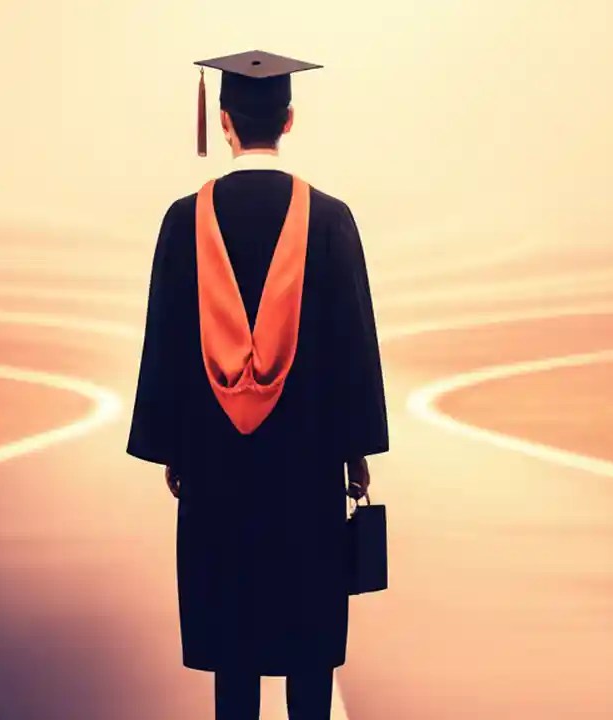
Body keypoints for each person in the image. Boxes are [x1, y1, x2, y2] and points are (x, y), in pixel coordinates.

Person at [127, 49, 389, 720]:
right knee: (308, 651)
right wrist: (354, 450)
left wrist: (174, 448)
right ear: (289, 119)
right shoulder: (329, 219)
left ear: (223, 122)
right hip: (305, 474)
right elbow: (353, 346)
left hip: (218, 473)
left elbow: (168, 344)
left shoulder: (183, 220)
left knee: (233, 654)